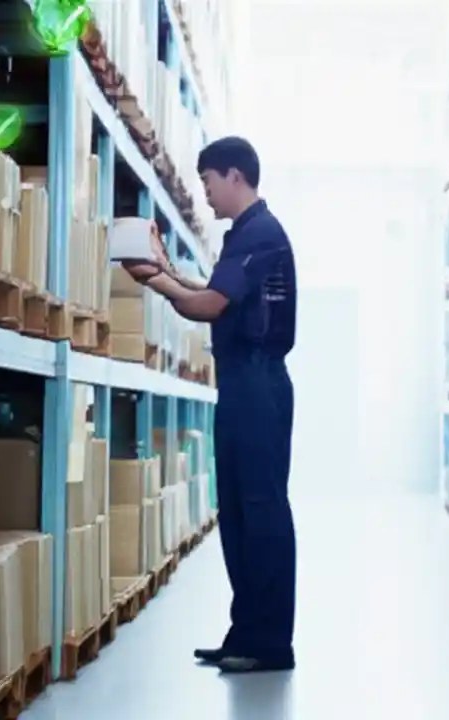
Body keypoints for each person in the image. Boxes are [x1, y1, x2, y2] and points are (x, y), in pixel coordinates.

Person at [120, 137, 297, 674]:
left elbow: (209, 305)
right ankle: (246, 632)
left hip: (257, 384)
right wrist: (167, 271)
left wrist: (154, 283)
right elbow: (213, 289)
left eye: (209, 181)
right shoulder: (245, 235)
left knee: (260, 510)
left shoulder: (261, 234)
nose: (206, 193)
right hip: (243, 384)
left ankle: (268, 642)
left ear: (235, 176)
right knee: (239, 511)